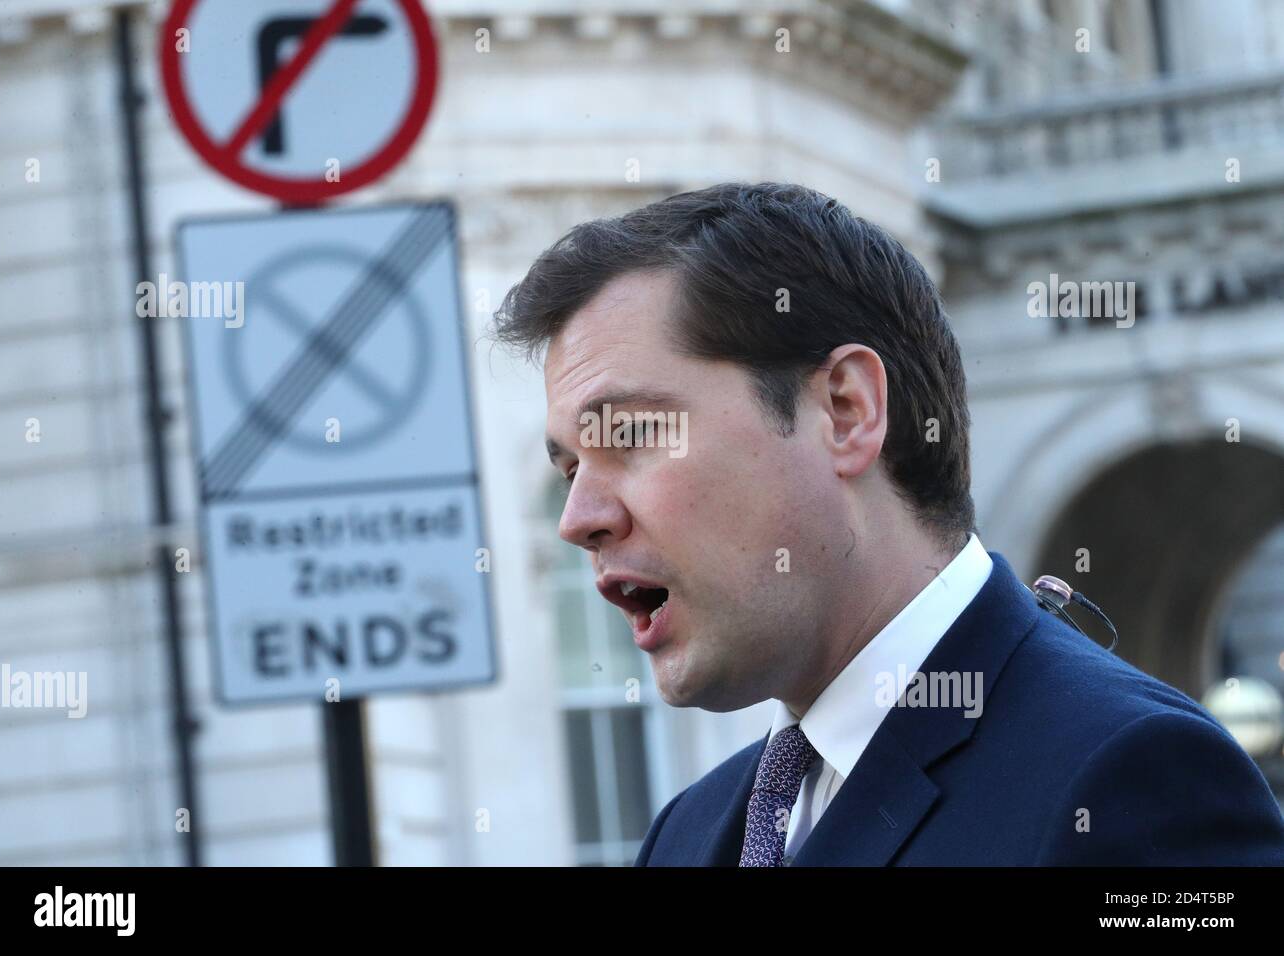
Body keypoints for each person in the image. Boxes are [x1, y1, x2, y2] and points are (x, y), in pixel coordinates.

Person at [491, 182, 1284, 866]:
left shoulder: (1132, 780)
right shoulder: (688, 834)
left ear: (845, 410)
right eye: (569, 468)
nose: (578, 519)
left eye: (628, 434)